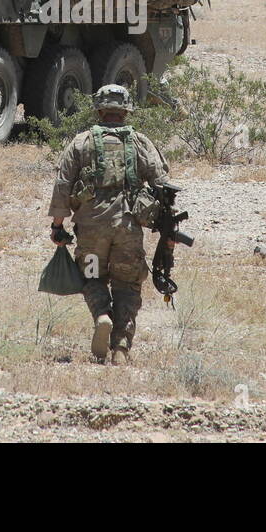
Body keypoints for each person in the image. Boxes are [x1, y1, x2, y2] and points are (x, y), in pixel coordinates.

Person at [47, 84, 169, 364]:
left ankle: (102, 315)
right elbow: (162, 183)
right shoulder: (140, 142)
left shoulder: (81, 142)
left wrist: (57, 226)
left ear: (99, 109)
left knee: (91, 277)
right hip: (127, 229)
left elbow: (62, 185)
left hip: (91, 231)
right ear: (126, 111)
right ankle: (121, 348)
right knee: (127, 285)